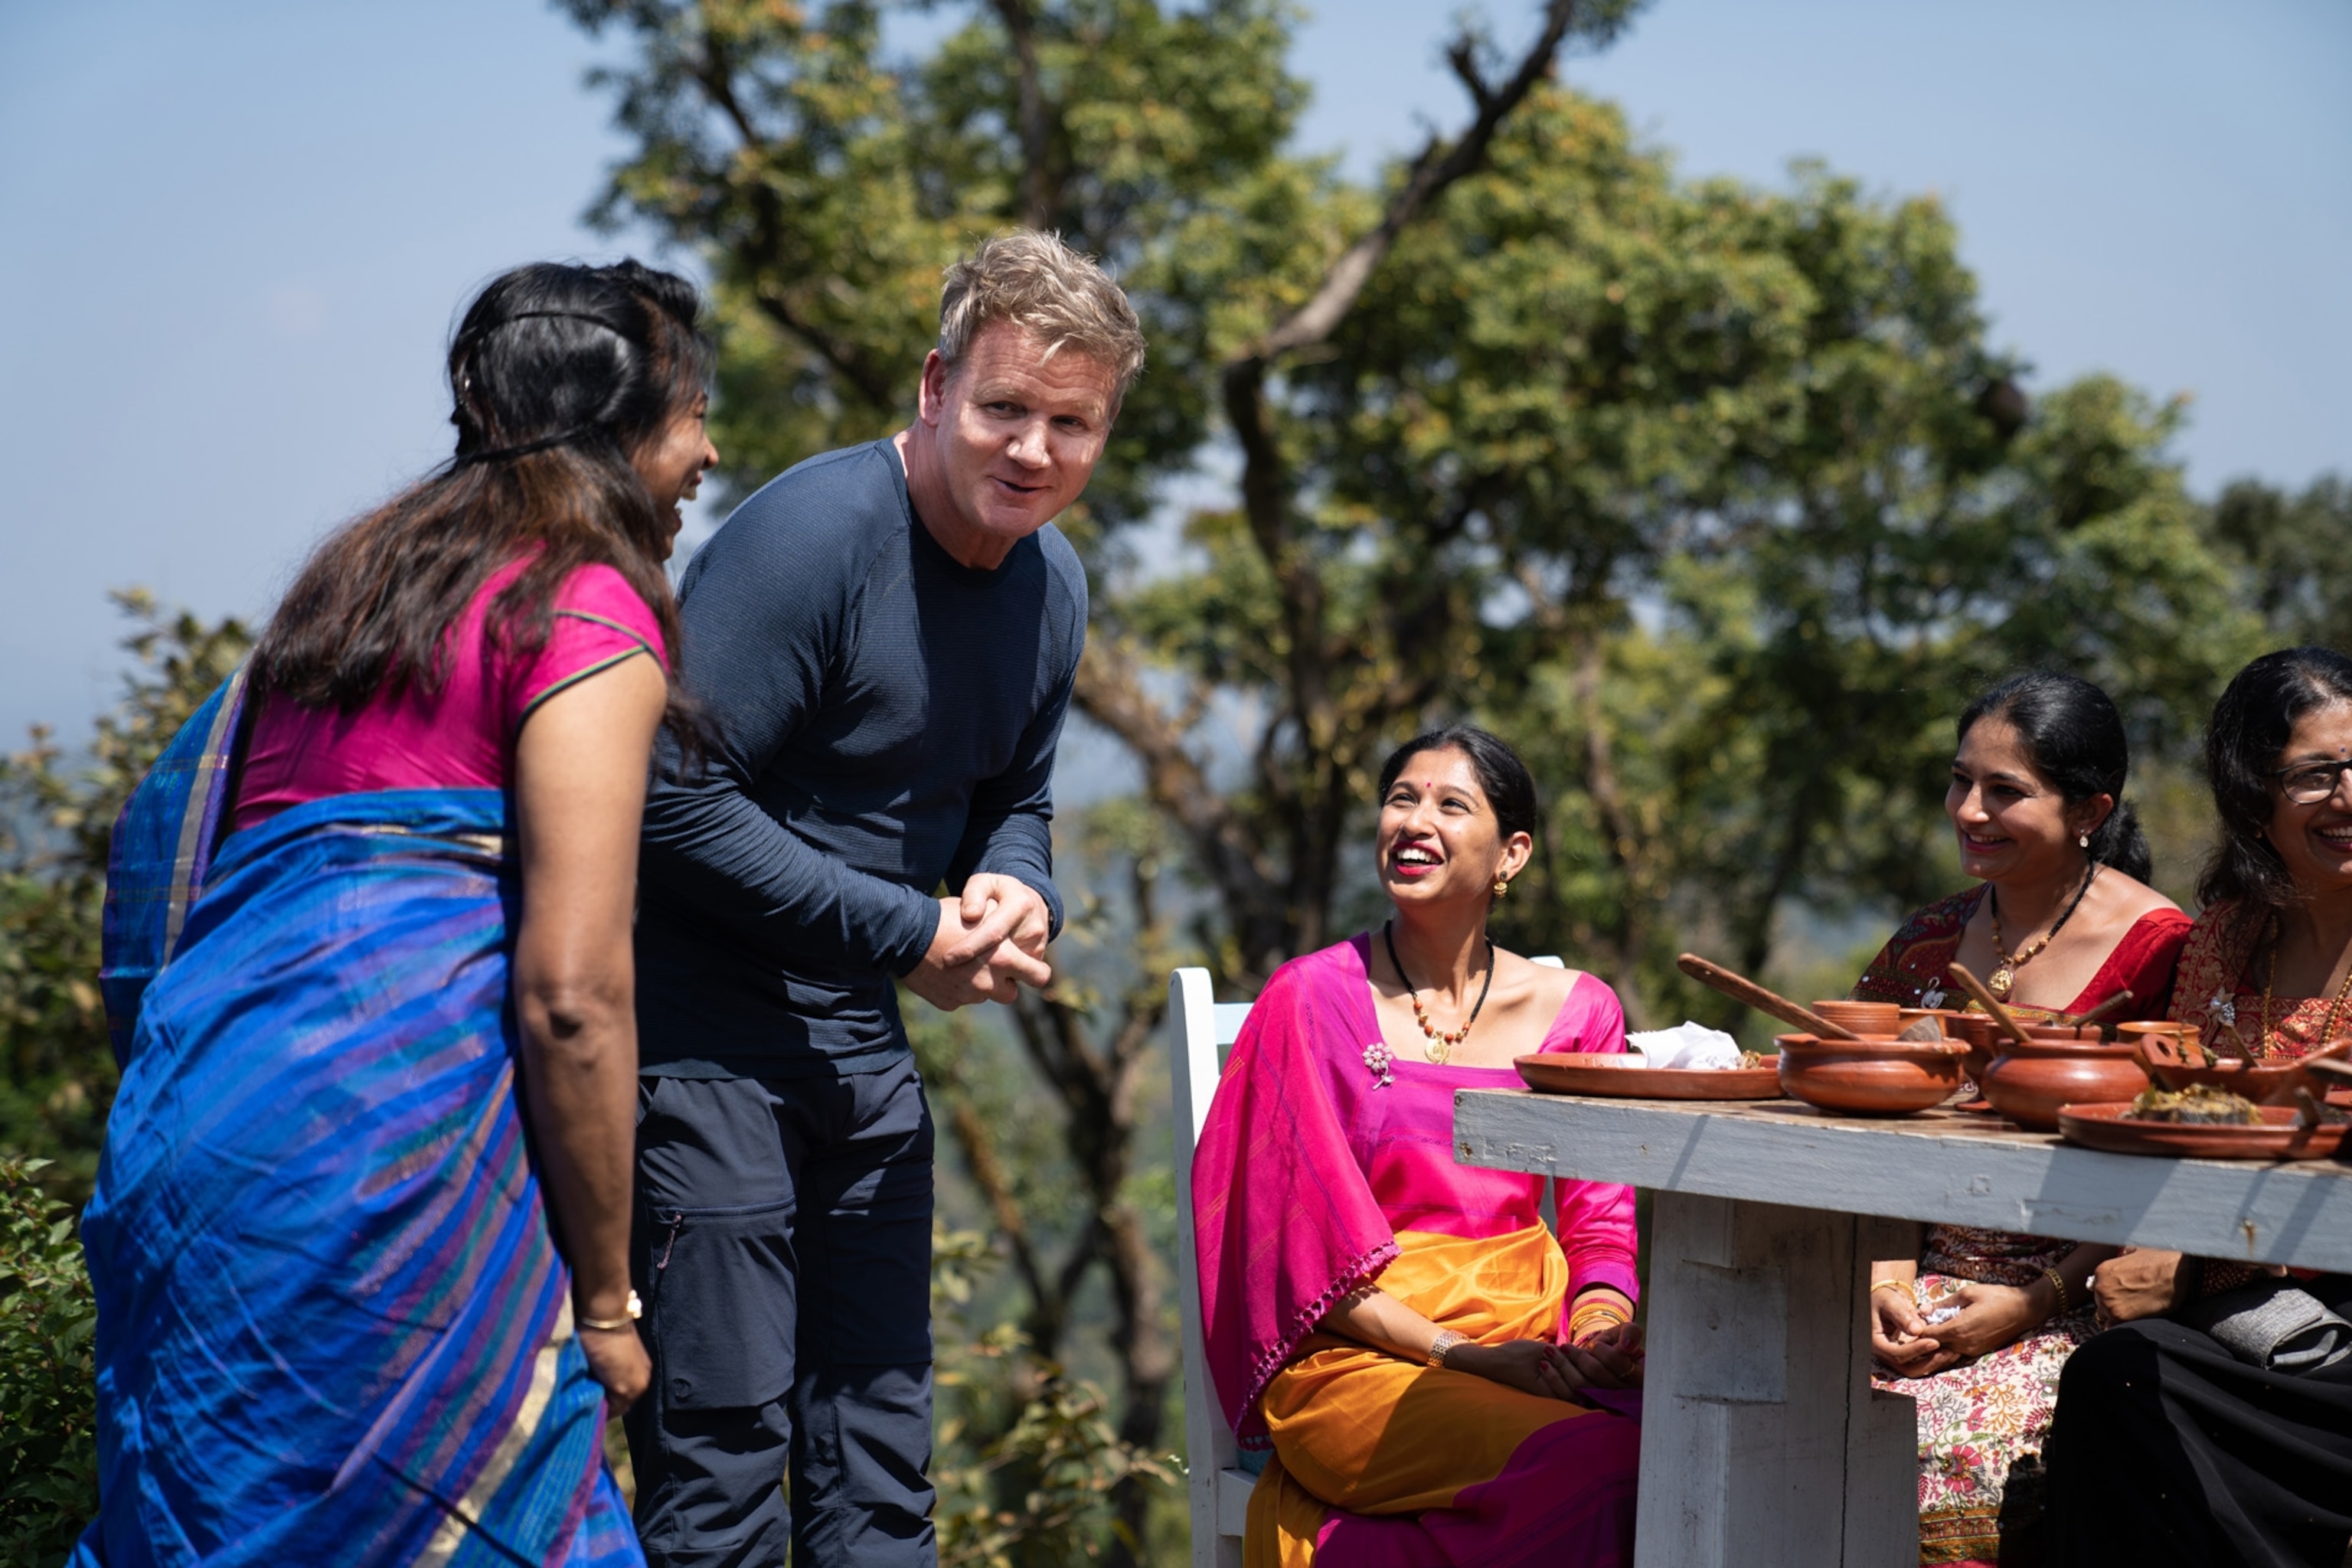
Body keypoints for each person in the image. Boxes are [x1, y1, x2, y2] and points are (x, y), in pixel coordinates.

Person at [75, 260, 717, 1566]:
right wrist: (606, 1297)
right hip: (398, 1177)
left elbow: (169, 858)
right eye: (696, 411)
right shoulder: (583, 605)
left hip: (205, 1141)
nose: (708, 451)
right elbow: (572, 996)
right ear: (623, 428)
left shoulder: (348, 592)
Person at [622, 230, 1143, 1566]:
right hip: (703, 1050)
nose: (1032, 450)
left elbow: (1012, 797)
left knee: (877, 1451)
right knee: (722, 1463)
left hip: (856, 1051)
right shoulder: (810, 537)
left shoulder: (1052, 582)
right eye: (1004, 407)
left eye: (1070, 422)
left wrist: (1017, 893)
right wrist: (907, 929)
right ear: (933, 388)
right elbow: (670, 802)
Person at [1191, 724, 1644, 1568]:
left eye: (1449, 803)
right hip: (1359, 1362)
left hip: (1533, 1339)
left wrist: (1600, 1327)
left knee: (1706, 1436)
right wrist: (1465, 1355)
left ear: (1512, 854)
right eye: (1401, 798)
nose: (1413, 821)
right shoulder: (1309, 1000)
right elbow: (1296, 1262)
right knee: (1605, 1469)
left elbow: (1602, 1225)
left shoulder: (1580, 1009)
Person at [1848, 670, 2190, 1566]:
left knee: (1916, 1451)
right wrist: (1887, 1278)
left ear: (2090, 808)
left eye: (2006, 790)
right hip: (1911, 1289)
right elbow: (1863, 1131)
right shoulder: (1924, 941)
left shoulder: (2163, 952)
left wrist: (2032, 1301)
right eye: (1961, 780)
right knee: (1754, 1394)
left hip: (2077, 1301)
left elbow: (2175, 1170)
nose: (1969, 809)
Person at [2040, 647, 2352, 1568]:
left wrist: (2184, 1259)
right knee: (2115, 1380)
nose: (2348, 796)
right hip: (2242, 1306)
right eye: (2317, 774)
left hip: (2334, 1308)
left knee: (2128, 1383)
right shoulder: (2225, 933)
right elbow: (2178, 1118)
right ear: (2252, 792)